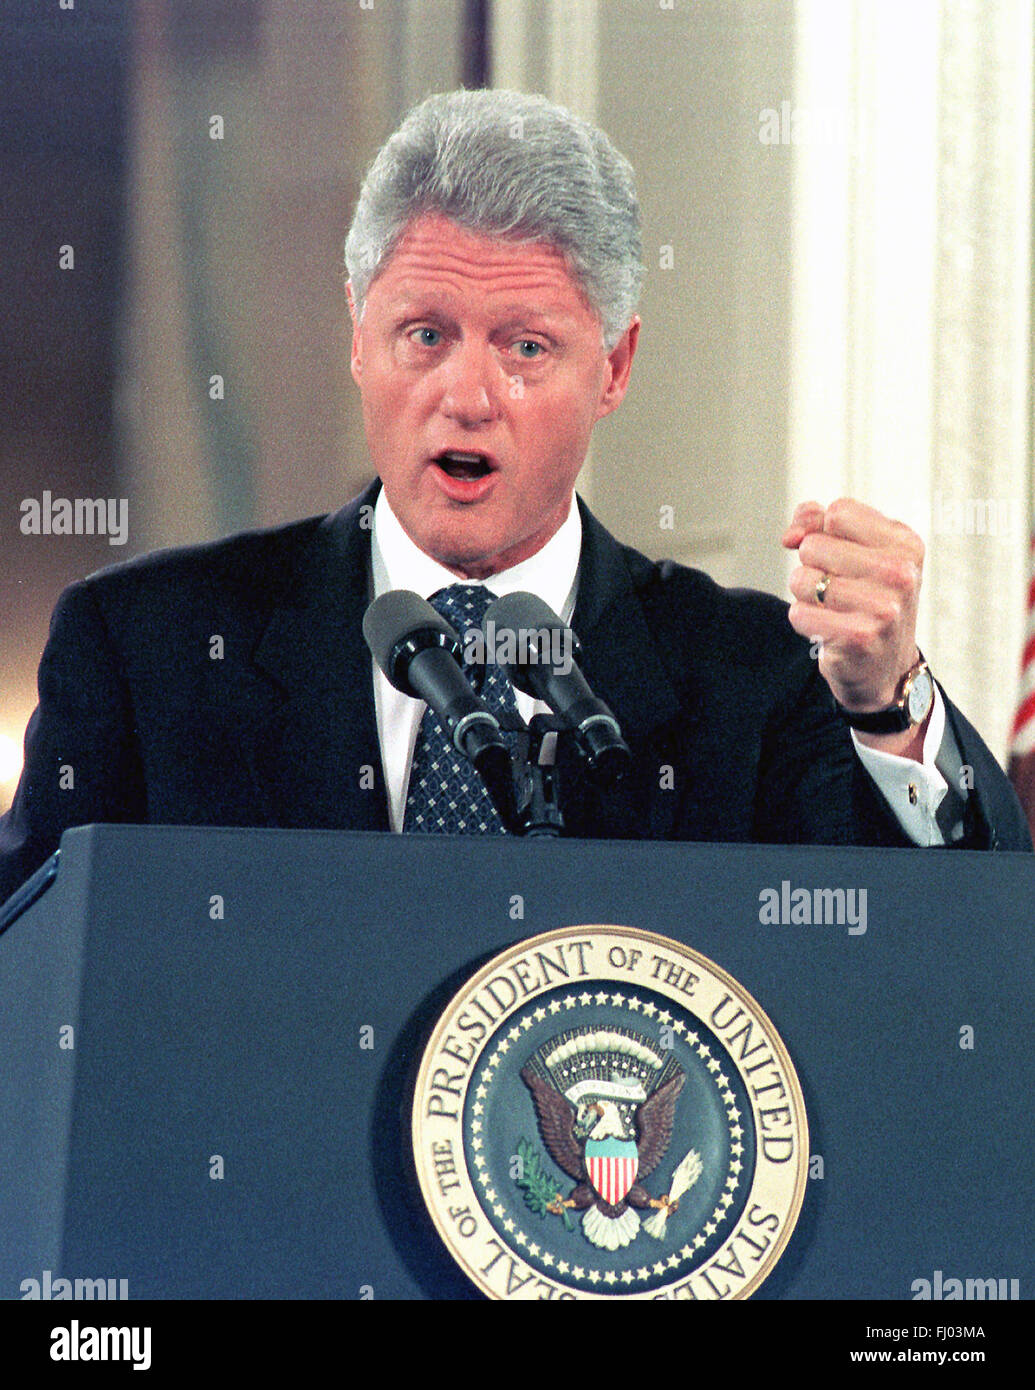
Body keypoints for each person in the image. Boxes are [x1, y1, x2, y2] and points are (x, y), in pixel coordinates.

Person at [0, 88, 1028, 905]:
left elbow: (944, 972)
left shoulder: (753, 684)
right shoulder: (148, 651)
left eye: (527, 347)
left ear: (615, 367)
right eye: (426, 335)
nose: (468, 396)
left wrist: (892, 710)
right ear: (360, 333)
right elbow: (31, 991)